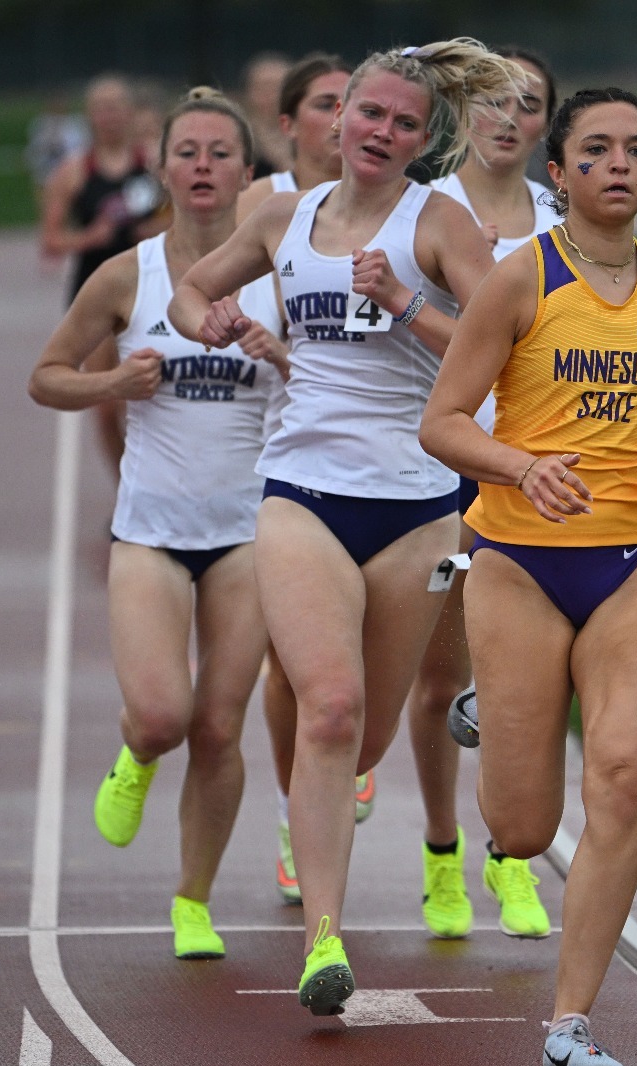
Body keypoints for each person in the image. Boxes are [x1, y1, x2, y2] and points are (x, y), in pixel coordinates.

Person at [419, 86, 637, 1066]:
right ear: (561, 173)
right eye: (598, 150)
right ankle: (495, 698)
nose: (620, 164)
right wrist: (517, 464)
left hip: (629, 562)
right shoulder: (517, 281)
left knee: (620, 777)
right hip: (517, 561)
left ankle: (569, 1023)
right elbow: (442, 422)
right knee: (524, 829)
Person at [171, 38, 525, 1017]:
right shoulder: (285, 218)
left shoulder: (438, 223)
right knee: (325, 706)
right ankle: (324, 939)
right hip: (299, 493)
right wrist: (201, 313)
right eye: (367, 113)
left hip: (416, 505)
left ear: (422, 141)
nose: (379, 133)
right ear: (337, 118)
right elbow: (193, 285)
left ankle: (341, 784)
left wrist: (404, 302)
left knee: (359, 736)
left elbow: (503, 350)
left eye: (404, 124)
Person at [28, 87, 282, 960]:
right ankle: (137, 752)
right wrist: (112, 385)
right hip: (151, 531)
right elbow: (46, 376)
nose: (205, 167)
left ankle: (192, 900)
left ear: (249, 172)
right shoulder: (125, 275)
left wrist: (278, 356)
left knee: (220, 725)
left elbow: (338, 391)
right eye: (189, 152)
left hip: (250, 533)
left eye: (222, 153)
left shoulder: (283, 279)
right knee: (166, 713)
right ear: (160, 166)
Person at [410, 45, 562, 940]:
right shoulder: (426, 210)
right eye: (494, 99)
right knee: (440, 683)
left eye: (530, 103)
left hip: (539, 463)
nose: (509, 116)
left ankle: (509, 856)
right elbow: (467, 347)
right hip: (444, 459)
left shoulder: (560, 216)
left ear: (548, 123)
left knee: (525, 677)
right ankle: (440, 857)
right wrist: (406, 307)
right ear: (463, 107)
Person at [228, 51, 374, 910]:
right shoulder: (268, 206)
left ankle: (343, 761)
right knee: (291, 671)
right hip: (283, 442)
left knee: (355, 690)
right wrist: (273, 345)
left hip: (381, 462)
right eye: (326, 104)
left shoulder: (403, 205)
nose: (341, 119)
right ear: (293, 121)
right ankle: (295, 811)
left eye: (353, 104)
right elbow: (217, 304)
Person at [40, 74, 171, 484]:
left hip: (151, 287)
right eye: (102, 108)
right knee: (106, 405)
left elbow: (186, 211)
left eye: (118, 106)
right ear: (90, 116)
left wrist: (158, 228)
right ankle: (126, 490)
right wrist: (89, 236)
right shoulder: (74, 171)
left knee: (161, 395)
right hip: (95, 292)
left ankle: (163, 482)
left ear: (132, 112)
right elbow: (51, 240)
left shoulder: (155, 162)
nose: (111, 116)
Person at [242, 52, 292, 179]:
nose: (270, 95)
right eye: (262, 87)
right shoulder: (238, 137)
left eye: (276, 87)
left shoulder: (303, 138)